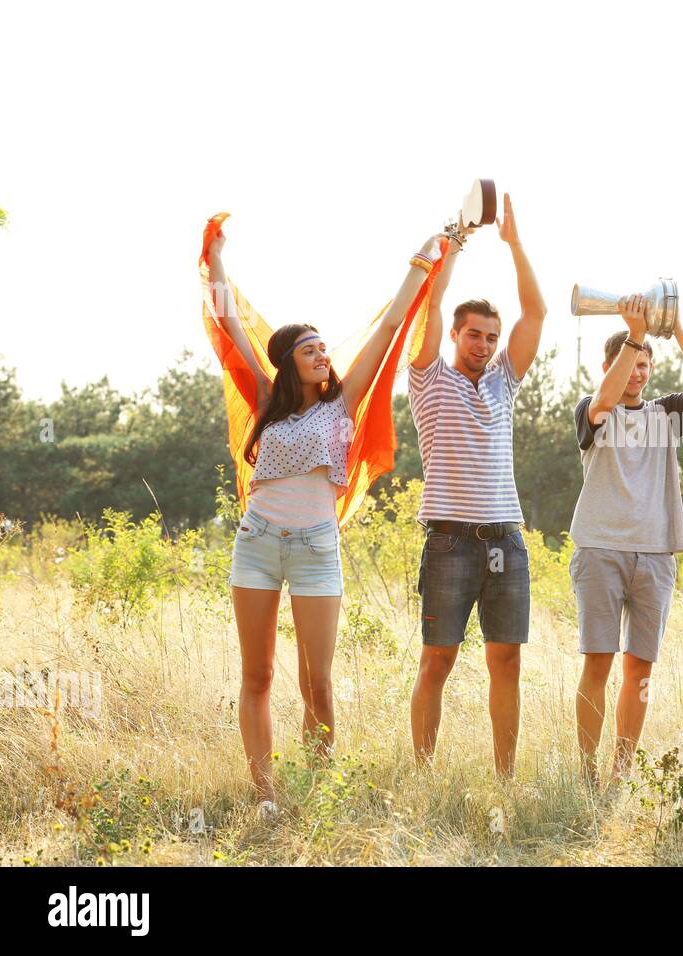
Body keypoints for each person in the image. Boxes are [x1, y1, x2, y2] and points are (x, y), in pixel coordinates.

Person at [206, 222, 448, 815]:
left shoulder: (344, 403)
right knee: (257, 675)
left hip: (316, 548)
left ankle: (315, 794)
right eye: (310, 349)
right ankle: (264, 796)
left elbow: (390, 325)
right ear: (288, 362)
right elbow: (232, 325)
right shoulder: (268, 400)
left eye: (323, 347)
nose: (323, 354)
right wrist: (213, 265)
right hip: (257, 543)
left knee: (318, 683)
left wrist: (424, 260)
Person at [407, 193, 546, 777]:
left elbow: (535, 315)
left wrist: (515, 244)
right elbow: (430, 304)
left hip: (504, 541)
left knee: (506, 661)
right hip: (449, 542)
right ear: (456, 336)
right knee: (437, 660)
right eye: (474, 335)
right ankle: (423, 773)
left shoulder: (503, 385)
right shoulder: (428, 379)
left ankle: (505, 778)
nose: (485, 345)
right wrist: (456, 243)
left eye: (490, 337)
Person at [570, 296, 683, 786]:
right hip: (600, 549)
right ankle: (586, 775)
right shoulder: (592, 409)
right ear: (611, 364)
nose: (639, 372)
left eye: (646, 364)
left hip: (655, 554)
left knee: (640, 671)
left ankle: (620, 771)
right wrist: (634, 334)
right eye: (630, 361)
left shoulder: (666, 415)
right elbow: (604, 403)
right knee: (598, 663)